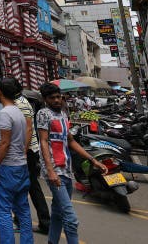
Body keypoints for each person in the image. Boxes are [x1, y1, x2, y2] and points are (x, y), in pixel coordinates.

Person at [37, 82, 107, 244]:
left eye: (58, 97)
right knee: (71, 218)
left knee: (58, 212)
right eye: (52, 98)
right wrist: (50, 171)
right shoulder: (43, 114)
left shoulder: (62, 114)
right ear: (45, 99)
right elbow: (44, 141)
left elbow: (70, 141)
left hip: (66, 168)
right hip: (54, 169)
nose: (56, 100)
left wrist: (92, 160)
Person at [0, 78, 33, 244]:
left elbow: (5, 143)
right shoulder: (18, 112)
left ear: (0, 91)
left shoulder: (5, 113)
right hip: (21, 166)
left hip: (8, 167)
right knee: (23, 210)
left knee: (3, 211)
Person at [11, 80, 50, 234]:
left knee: (22, 187)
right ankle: (42, 221)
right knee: (31, 187)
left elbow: (27, 129)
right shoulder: (21, 102)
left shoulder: (19, 104)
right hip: (28, 151)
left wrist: (22, 152)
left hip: (26, 152)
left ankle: (23, 221)